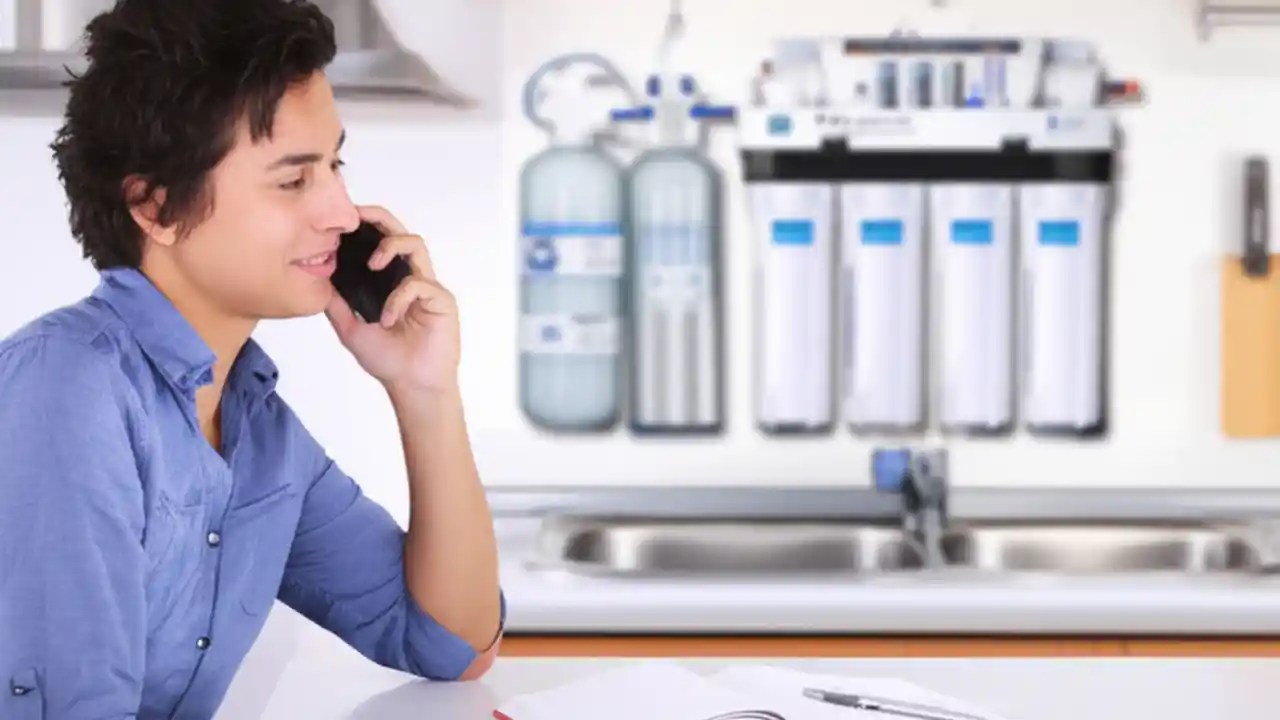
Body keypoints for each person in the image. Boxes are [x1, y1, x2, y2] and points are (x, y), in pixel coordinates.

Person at [0, 1, 505, 717]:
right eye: (294, 180)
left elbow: (454, 643)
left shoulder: (257, 431)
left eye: (335, 165)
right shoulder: (66, 391)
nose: (341, 211)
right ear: (157, 208)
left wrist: (425, 391)